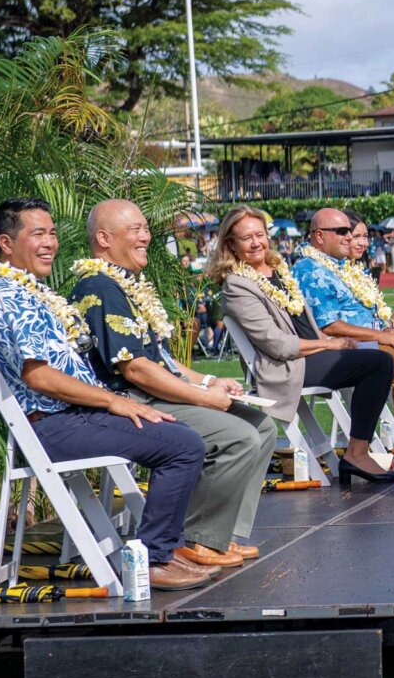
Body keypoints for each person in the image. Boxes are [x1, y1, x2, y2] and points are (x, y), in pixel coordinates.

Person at [0, 198, 213, 591]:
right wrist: (113, 400)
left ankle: (163, 553)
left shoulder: (30, 292)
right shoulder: (6, 296)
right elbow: (40, 377)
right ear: (6, 242)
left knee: (177, 433)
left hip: (74, 418)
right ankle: (153, 559)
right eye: (38, 234)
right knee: (182, 445)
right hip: (53, 426)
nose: (50, 242)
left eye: (51, 232)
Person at [70, 200, 275, 571]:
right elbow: (137, 371)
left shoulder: (126, 284)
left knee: (263, 425)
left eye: (145, 228)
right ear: (103, 238)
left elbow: (162, 360)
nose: (146, 236)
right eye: (135, 229)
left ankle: (222, 532)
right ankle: (197, 539)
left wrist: (211, 381)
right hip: (132, 401)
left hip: (156, 390)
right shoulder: (100, 287)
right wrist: (205, 398)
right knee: (240, 436)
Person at [209, 206, 394, 484]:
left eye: (260, 234)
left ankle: (372, 448)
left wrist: (328, 342)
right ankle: (357, 454)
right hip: (288, 366)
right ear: (231, 244)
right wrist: (328, 345)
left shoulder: (277, 269)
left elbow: (306, 324)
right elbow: (277, 346)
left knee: (379, 355)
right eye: (246, 238)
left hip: (313, 352)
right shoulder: (237, 285)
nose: (256, 243)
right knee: (378, 364)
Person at [292, 208, 394, 464]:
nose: (349, 237)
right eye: (342, 232)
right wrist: (383, 335)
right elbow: (329, 326)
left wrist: (386, 330)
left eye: (350, 231)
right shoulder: (311, 270)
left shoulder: (339, 267)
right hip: (339, 350)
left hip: (364, 340)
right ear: (319, 236)